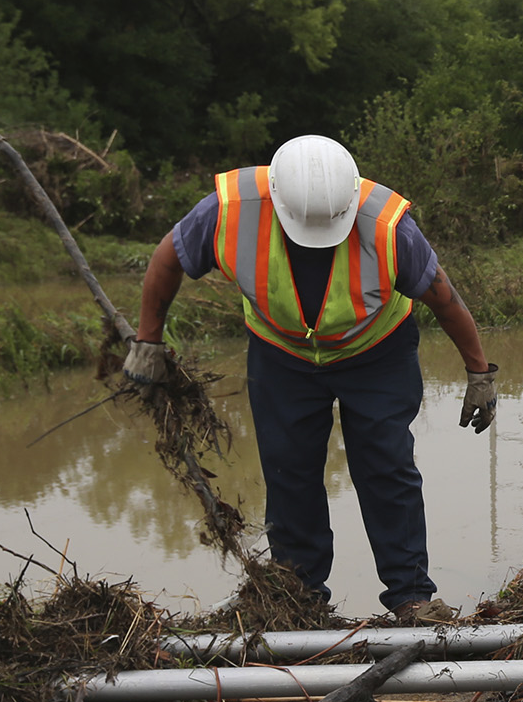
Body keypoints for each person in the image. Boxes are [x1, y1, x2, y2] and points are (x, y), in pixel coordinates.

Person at [123, 135, 497, 622]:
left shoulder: (387, 226)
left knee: (386, 465)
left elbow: (444, 299)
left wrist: (479, 373)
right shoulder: (230, 210)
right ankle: (299, 597)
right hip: (283, 355)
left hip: (376, 352)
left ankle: (410, 596)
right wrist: (148, 342)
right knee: (289, 470)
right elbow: (168, 259)